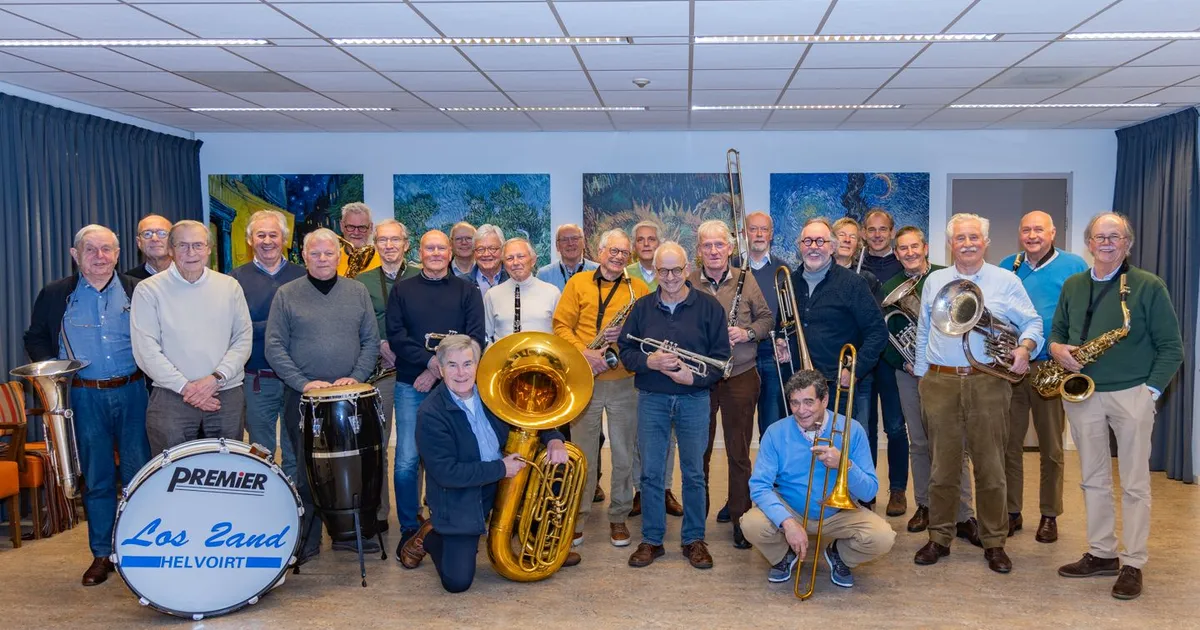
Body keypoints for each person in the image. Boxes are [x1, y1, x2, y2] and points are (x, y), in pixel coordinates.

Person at [1052, 212, 1182, 601]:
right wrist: (1058, 349)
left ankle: (1134, 562)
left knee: (1135, 483)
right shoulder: (1074, 285)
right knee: (1092, 478)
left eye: (1115, 237)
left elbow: (1172, 348)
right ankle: (1102, 552)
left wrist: (1150, 393)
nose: (1106, 243)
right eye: (1099, 236)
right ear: (1088, 243)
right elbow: (1058, 331)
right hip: (1083, 393)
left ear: (1128, 244)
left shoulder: (1147, 286)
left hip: (1133, 394)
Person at [912, 213, 1042, 575]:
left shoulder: (1006, 281)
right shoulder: (935, 280)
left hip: (988, 381)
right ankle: (939, 536)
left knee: (990, 466)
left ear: (985, 242)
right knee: (943, 467)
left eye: (973, 237)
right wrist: (924, 379)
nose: (966, 243)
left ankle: (994, 541)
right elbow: (924, 332)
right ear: (949, 244)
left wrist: (1025, 348)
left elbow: (1032, 322)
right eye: (959, 238)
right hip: (940, 381)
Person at [23, 225, 151, 586]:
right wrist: (54, 374)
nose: (99, 256)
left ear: (118, 253)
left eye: (106, 249)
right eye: (90, 249)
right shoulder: (55, 295)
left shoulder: (138, 290)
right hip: (83, 395)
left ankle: (138, 549)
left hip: (134, 391)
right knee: (97, 478)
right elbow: (34, 337)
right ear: (75, 254)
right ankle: (102, 554)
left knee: (139, 474)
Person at [395, 335, 573, 591]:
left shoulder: (494, 391)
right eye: (452, 365)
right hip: (460, 495)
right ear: (441, 369)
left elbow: (530, 416)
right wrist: (501, 468)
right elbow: (447, 473)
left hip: (501, 480)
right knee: (457, 582)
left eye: (468, 364)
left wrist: (554, 438)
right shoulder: (431, 413)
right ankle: (430, 535)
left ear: (478, 365)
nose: (461, 372)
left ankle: (545, 545)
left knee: (555, 469)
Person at [265, 227, 380, 562]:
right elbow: (274, 346)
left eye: (329, 253)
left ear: (339, 256)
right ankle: (309, 538)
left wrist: (356, 378)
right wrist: (302, 383)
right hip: (303, 400)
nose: (322, 259)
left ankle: (348, 534)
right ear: (304, 257)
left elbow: (371, 341)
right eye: (315, 253)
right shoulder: (287, 294)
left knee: (353, 468)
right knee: (306, 470)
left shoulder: (357, 291)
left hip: (350, 398)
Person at [619, 241, 731, 570]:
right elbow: (625, 353)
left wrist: (692, 378)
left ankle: (694, 539)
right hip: (652, 398)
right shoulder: (641, 308)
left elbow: (721, 360)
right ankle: (652, 539)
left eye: (676, 270)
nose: (670, 277)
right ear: (654, 271)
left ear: (687, 269)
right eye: (663, 270)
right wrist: (650, 361)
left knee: (694, 473)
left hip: (694, 399)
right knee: (651, 473)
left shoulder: (709, 307)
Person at [742, 370, 895, 587]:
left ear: (824, 400)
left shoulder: (853, 429)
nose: (801, 411)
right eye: (795, 403)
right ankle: (783, 556)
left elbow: (870, 491)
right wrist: (787, 523)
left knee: (882, 537)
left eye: (808, 402)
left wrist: (844, 465)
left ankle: (839, 556)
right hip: (791, 508)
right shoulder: (776, 432)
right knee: (751, 523)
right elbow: (759, 486)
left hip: (837, 513)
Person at [386, 229, 486, 557]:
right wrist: (430, 363)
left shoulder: (468, 291)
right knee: (407, 460)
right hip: (411, 384)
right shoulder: (402, 290)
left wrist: (438, 371)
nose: (436, 253)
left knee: (452, 457)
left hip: (455, 387)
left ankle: (445, 521)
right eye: (430, 248)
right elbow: (397, 338)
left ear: (451, 252)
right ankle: (409, 528)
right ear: (419, 251)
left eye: (441, 248)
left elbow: (475, 339)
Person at [775, 218, 887, 506]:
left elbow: (877, 332)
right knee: (806, 449)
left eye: (821, 241)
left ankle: (852, 506)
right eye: (808, 242)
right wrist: (781, 344)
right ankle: (808, 505)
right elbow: (783, 325)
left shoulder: (853, 284)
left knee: (844, 448)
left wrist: (856, 368)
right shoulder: (790, 283)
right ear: (799, 247)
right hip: (802, 386)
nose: (814, 247)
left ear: (833, 247)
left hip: (840, 384)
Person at [553, 229, 652, 549]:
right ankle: (577, 518)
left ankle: (618, 516)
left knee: (624, 454)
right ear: (600, 250)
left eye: (625, 253)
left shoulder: (637, 288)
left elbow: (646, 334)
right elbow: (560, 326)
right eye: (614, 250)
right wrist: (586, 353)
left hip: (624, 381)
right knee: (582, 455)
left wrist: (626, 333)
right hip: (585, 379)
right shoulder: (577, 283)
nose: (619, 256)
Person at [882, 227, 979, 542]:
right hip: (910, 374)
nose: (909, 253)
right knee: (920, 443)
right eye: (903, 249)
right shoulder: (890, 287)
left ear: (925, 247)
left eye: (914, 247)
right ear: (896, 254)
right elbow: (883, 335)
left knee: (955, 445)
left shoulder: (944, 278)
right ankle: (925, 505)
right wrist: (905, 362)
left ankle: (964, 514)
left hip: (946, 371)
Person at [998, 210, 1088, 543]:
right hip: (1012, 366)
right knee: (1009, 444)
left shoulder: (1075, 265)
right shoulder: (1009, 264)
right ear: (1019, 234)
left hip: (1052, 366)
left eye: (1039, 229)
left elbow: (1084, 310)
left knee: (1051, 446)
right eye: (1026, 230)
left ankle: (1049, 515)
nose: (1032, 235)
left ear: (1052, 233)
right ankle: (1012, 511)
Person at [130, 220, 252, 453]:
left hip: (224, 394)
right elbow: (145, 349)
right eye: (183, 245)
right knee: (173, 476)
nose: (191, 252)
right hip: (171, 397)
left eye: (198, 245)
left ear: (209, 248)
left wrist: (215, 378)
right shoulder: (148, 290)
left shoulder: (229, 286)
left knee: (228, 475)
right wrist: (187, 388)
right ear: (171, 250)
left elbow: (243, 338)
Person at [689, 219, 772, 549]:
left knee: (739, 453)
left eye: (719, 244)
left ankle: (741, 518)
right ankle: (697, 521)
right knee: (700, 452)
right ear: (699, 251)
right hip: (700, 378)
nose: (713, 250)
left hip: (739, 375)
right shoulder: (688, 282)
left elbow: (766, 319)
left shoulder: (746, 280)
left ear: (729, 248)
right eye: (707, 246)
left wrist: (747, 332)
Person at [229, 210, 306, 479]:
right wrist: (281, 327)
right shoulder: (234, 280)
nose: (267, 240)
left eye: (273, 234)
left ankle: (296, 507)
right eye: (260, 234)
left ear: (284, 238)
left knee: (296, 447)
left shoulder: (303, 276)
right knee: (260, 450)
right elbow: (236, 330)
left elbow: (310, 325)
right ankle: (266, 504)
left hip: (297, 379)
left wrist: (259, 327)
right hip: (257, 378)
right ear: (250, 239)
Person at [356, 218, 421, 533]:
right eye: (383, 240)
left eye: (395, 240)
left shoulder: (421, 276)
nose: (389, 245)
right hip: (378, 372)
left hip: (414, 373)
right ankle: (379, 511)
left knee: (415, 444)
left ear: (406, 244)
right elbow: (356, 323)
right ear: (375, 244)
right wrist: (380, 344)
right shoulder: (361, 282)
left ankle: (418, 508)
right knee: (376, 444)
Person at [857, 210, 910, 517]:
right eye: (871, 230)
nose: (877, 235)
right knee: (864, 429)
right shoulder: (855, 265)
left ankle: (898, 490)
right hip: (865, 357)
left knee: (894, 426)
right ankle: (867, 489)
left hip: (891, 358)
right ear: (864, 232)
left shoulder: (901, 264)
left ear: (891, 232)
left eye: (883, 230)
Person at [744, 211, 785, 438]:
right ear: (744, 233)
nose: (758, 234)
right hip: (740, 355)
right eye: (753, 229)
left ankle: (772, 474)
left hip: (772, 355)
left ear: (771, 235)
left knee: (772, 425)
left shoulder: (783, 271)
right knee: (739, 424)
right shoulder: (731, 268)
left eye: (764, 229)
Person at [485, 237, 560, 342]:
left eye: (520, 256)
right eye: (509, 258)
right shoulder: (492, 295)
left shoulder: (552, 292)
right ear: (504, 264)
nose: (515, 262)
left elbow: (560, 333)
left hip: (542, 357)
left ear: (533, 260)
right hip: (504, 357)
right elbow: (487, 336)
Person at [538, 223, 599, 291]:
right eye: (564, 240)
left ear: (584, 243)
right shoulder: (544, 275)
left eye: (575, 238)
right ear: (557, 246)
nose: (570, 243)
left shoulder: (598, 271)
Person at [832, 217, 881, 298]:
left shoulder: (867, 279)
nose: (847, 240)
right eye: (841, 235)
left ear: (857, 245)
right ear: (831, 240)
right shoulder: (817, 273)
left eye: (852, 237)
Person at [336, 202, 382, 278]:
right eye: (351, 227)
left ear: (370, 228)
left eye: (362, 227)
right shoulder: (331, 261)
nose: (356, 232)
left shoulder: (383, 262)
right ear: (342, 226)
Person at [124, 214, 172, 279]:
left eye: (162, 233)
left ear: (173, 240)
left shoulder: (187, 273)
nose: (154, 239)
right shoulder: (129, 281)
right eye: (147, 234)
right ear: (139, 242)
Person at [466, 224, 507, 296]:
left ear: (502, 250)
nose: (486, 254)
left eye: (492, 248)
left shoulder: (514, 279)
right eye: (480, 249)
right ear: (474, 252)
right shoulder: (461, 283)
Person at [625, 220, 661, 291]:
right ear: (634, 246)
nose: (646, 244)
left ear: (660, 244)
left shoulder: (670, 274)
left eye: (651, 239)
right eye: (640, 240)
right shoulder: (625, 274)